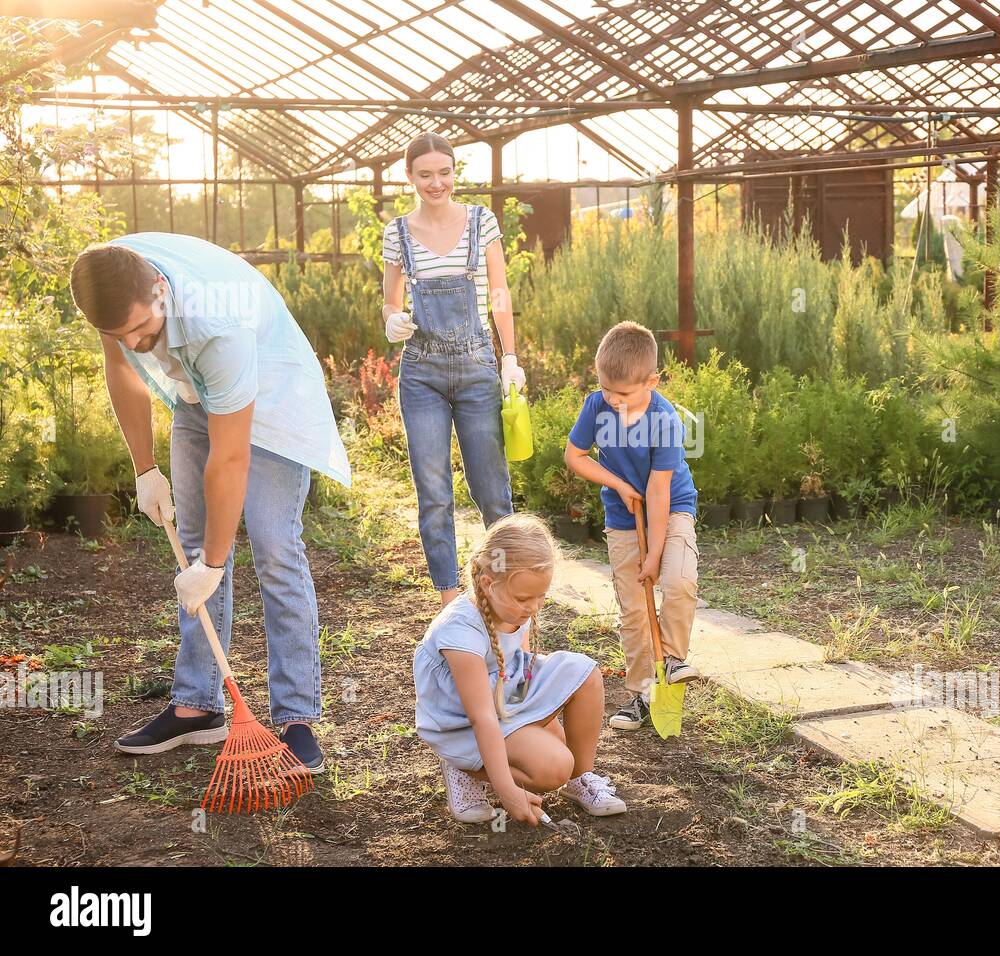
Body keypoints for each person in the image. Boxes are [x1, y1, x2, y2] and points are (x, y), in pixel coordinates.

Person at [69, 234, 351, 772]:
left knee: (273, 547)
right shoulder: (107, 283)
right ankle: (199, 705)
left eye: (141, 330)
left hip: (270, 397)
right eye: (119, 334)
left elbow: (231, 460)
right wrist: (145, 468)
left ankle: (295, 716)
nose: (135, 342)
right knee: (191, 545)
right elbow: (123, 373)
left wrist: (215, 566)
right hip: (198, 394)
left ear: (160, 290)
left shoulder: (216, 323)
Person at [382, 132, 525, 611]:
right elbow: (389, 301)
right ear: (410, 177)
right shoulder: (396, 232)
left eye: (444, 172)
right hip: (419, 373)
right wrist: (392, 321)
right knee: (434, 492)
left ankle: (504, 593)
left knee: (492, 490)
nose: (436, 182)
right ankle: (450, 600)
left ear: (454, 173)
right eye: (425, 174)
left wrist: (509, 358)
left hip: (477, 367)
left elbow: (500, 296)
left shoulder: (482, 222)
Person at [413, 513, 626, 823]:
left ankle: (581, 778)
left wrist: (537, 712)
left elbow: (521, 666)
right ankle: (462, 766)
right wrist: (507, 790)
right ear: (488, 583)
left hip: (502, 696)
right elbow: (481, 717)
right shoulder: (460, 630)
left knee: (585, 676)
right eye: (525, 597)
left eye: (541, 596)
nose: (535, 607)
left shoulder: (511, 606)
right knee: (553, 767)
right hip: (462, 720)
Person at [564, 321, 700, 731]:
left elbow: (659, 491)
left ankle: (673, 660)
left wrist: (655, 554)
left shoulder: (665, 419)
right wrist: (620, 484)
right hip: (623, 519)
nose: (612, 400)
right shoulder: (597, 406)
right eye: (606, 389)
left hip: (672, 507)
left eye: (622, 394)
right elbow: (576, 456)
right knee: (634, 609)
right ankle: (641, 693)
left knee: (678, 581)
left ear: (651, 381)